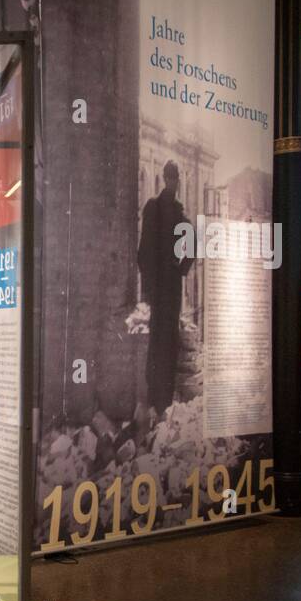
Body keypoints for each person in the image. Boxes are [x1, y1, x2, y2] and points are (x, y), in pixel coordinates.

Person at [136, 160, 195, 418]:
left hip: (165, 285)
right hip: (165, 286)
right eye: (173, 178)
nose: (174, 182)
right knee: (162, 339)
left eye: (175, 178)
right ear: (169, 179)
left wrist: (177, 270)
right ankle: (159, 400)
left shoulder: (166, 210)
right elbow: (144, 252)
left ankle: (160, 400)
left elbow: (143, 252)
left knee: (163, 339)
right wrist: (177, 270)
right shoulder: (165, 210)